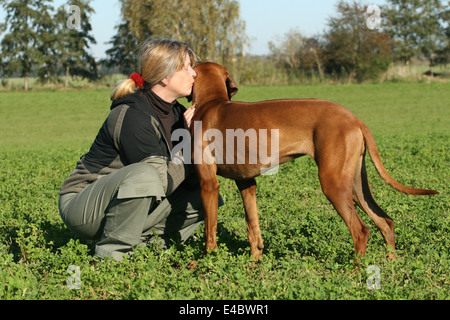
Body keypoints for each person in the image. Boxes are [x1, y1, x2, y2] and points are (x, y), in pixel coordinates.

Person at [58, 39, 220, 261]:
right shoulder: (134, 115)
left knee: (205, 195)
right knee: (145, 174)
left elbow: (187, 174)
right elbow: (160, 182)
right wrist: (189, 142)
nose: (194, 74)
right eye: (187, 67)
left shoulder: (177, 113)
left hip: (126, 200)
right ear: (165, 76)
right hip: (83, 206)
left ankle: (147, 247)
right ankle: (112, 256)